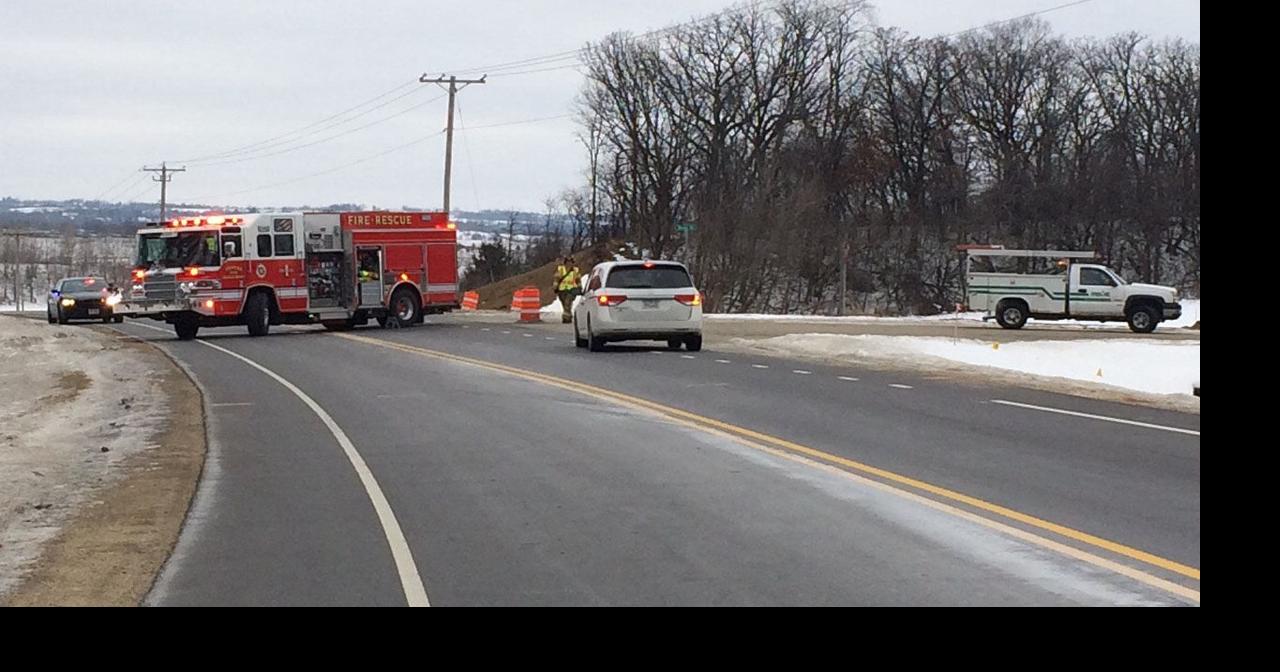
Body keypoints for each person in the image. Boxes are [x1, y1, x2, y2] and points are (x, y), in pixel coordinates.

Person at [556, 258, 581, 324]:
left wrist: (579, 287)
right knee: (565, 305)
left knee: (567, 303)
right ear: (565, 262)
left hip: (571, 290)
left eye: (571, 262)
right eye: (568, 262)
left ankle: (565, 319)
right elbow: (556, 279)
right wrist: (555, 287)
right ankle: (569, 317)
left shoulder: (575, 270)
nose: (569, 264)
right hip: (562, 290)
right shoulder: (561, 269)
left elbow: (578, 280)